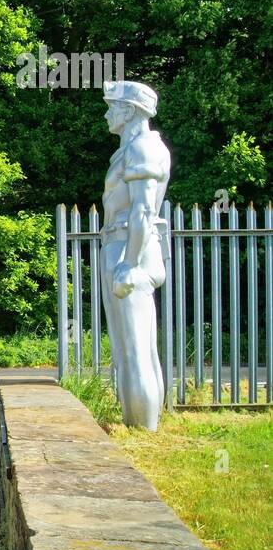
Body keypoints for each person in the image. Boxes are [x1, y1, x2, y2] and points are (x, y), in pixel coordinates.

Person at [99, 81, 171, 430]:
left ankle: (145, 429)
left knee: (137, 346)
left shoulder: (142, 148)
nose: (107, 112)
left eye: (113, 106)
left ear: (129, 111)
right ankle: (138, 424)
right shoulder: (132, 148)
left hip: (130, 246)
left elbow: (143, 210)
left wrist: (128, 262)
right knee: (130, 347)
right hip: (124, 243)